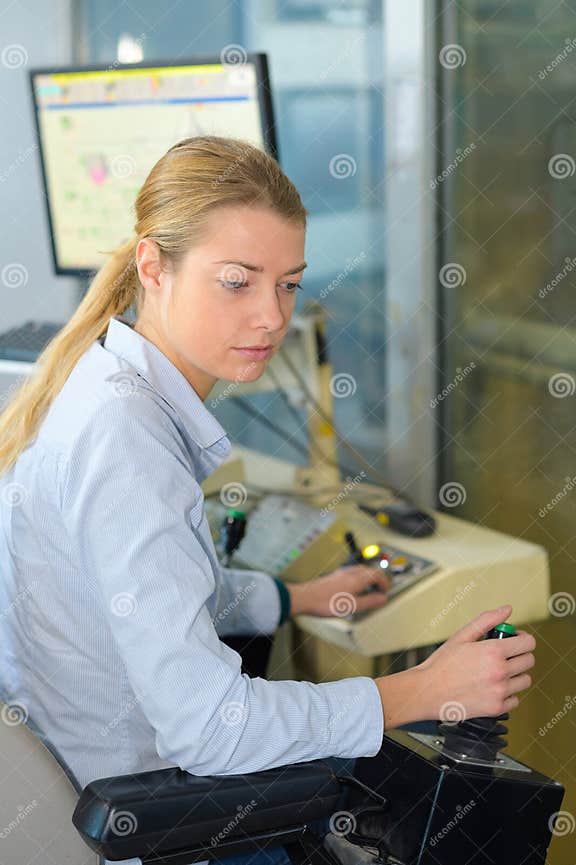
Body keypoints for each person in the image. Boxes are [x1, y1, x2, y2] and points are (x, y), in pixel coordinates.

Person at [0, 136, 536, 865]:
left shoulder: (99, 384)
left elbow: (146, 597)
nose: (271, 317)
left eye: (288, 284)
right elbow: (211, 728)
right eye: (237, 282)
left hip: (93, 781)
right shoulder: (127, 444)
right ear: (154, 267)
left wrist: (293, 597)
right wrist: (418, 690)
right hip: (154, 829)